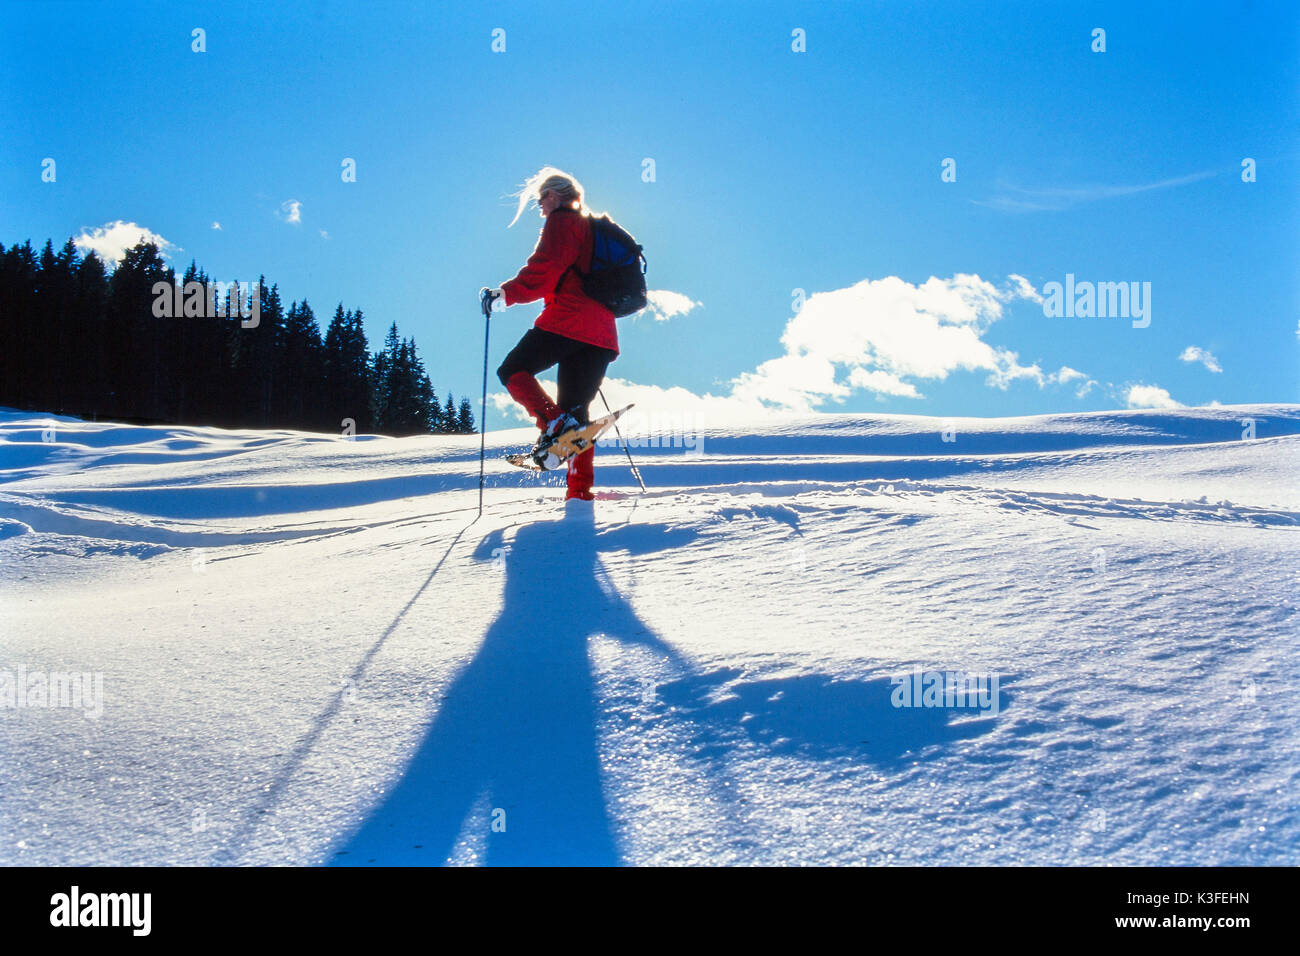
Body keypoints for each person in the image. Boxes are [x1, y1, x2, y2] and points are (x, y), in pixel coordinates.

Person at [481, 167, 618, 502]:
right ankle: (579, 492)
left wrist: (504, 296)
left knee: (511, 370)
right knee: (577, 416)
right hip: (602, 334)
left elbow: (544, 271)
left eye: (541, 200)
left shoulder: (563, 222)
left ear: (554, 196)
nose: (540, 208)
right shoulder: (592, 228)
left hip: (568, 320)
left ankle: (556, 425)